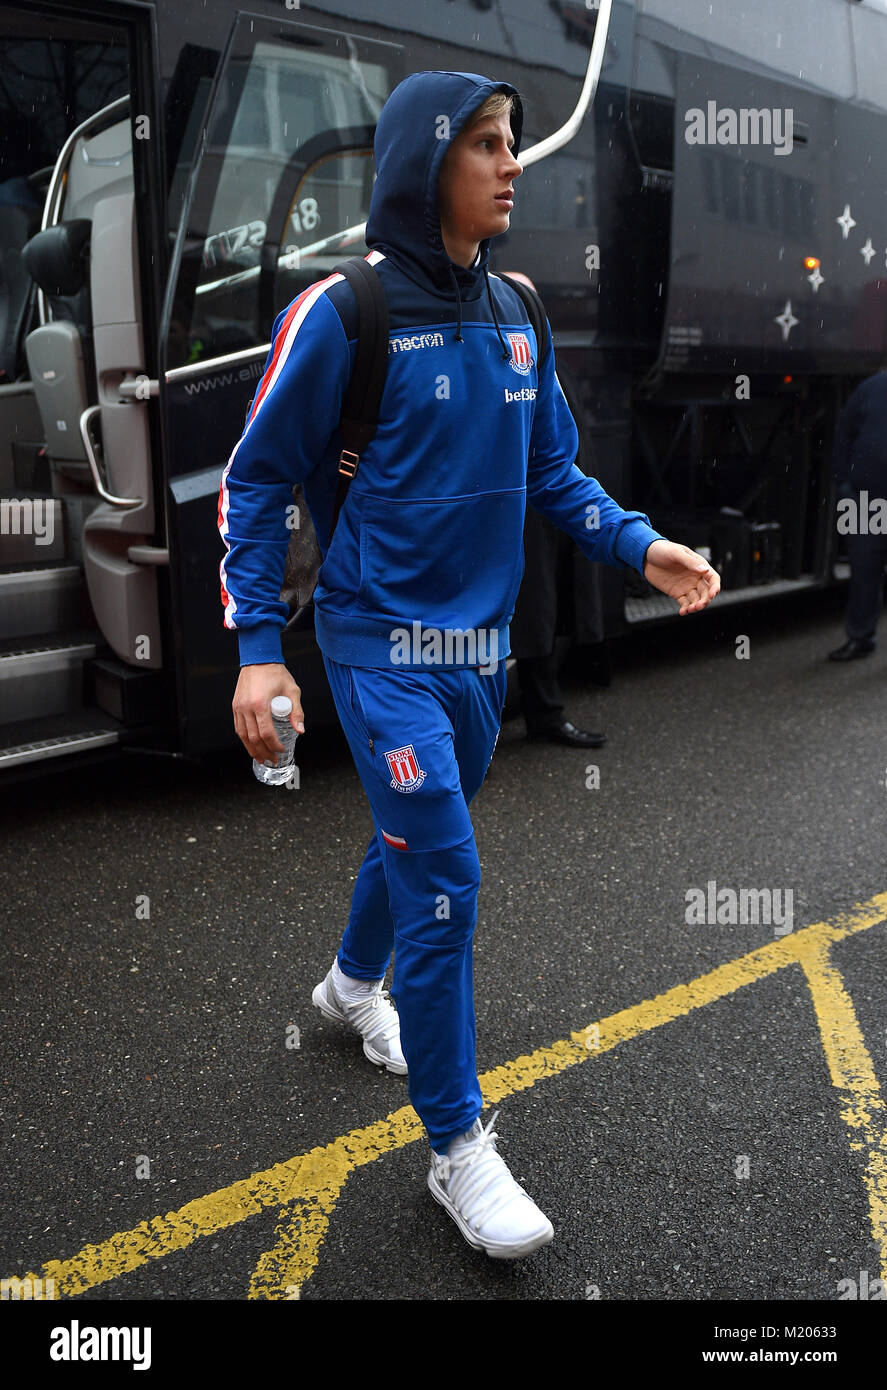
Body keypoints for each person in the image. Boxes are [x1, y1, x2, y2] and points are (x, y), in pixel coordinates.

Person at [219, 70, 720, 1260]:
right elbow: (253, 477)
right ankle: (456, 1149)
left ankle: (349, 989)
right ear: (424, 164)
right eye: (487, 145)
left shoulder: (517, 312)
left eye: (512, 144)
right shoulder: (346, 315)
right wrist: (254, 652)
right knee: (444, 873)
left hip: (477, 659)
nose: (511, 165)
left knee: (412, 842)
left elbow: (555, 470)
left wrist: (638, 544)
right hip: (376, 646)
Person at [827, 370, 887, 661]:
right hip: (864, 500)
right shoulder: (871, 387)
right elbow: (844, 430)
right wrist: (844, 482)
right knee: (864, 573)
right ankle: (860, 639)